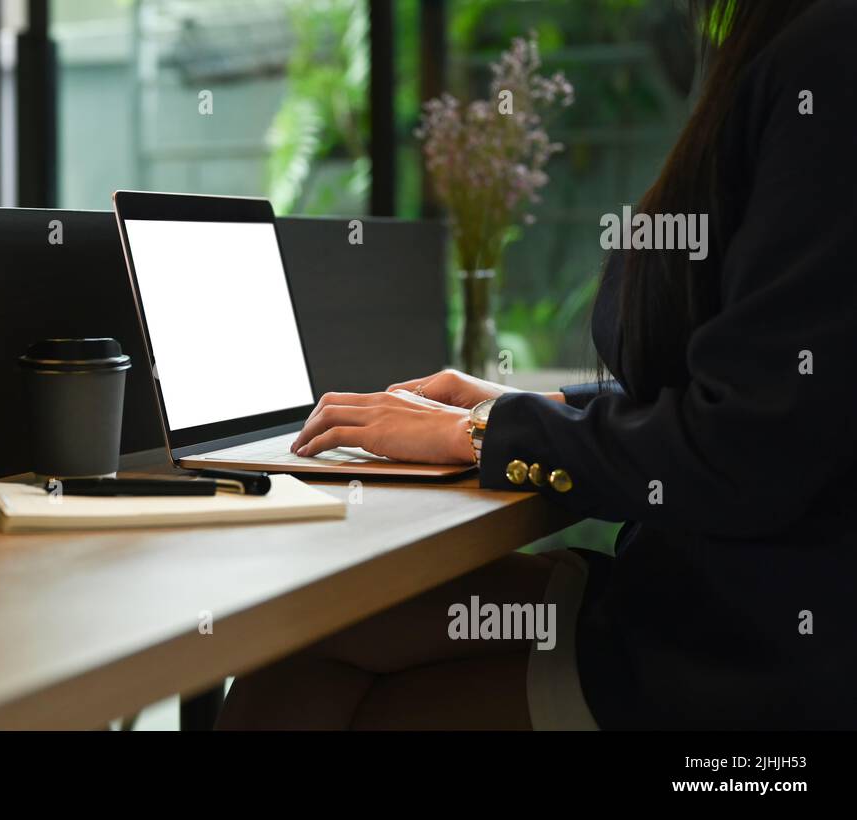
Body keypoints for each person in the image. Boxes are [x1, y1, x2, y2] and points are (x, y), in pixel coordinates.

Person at [217, 0, 857, 730]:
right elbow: (753, 392)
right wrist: (528, 409)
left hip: (759, 659)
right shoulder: (793, 46)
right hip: (710, 595)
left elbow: (747, 448)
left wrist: (489, 435)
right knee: (296, 641)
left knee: (320, 693)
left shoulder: (830, 55)